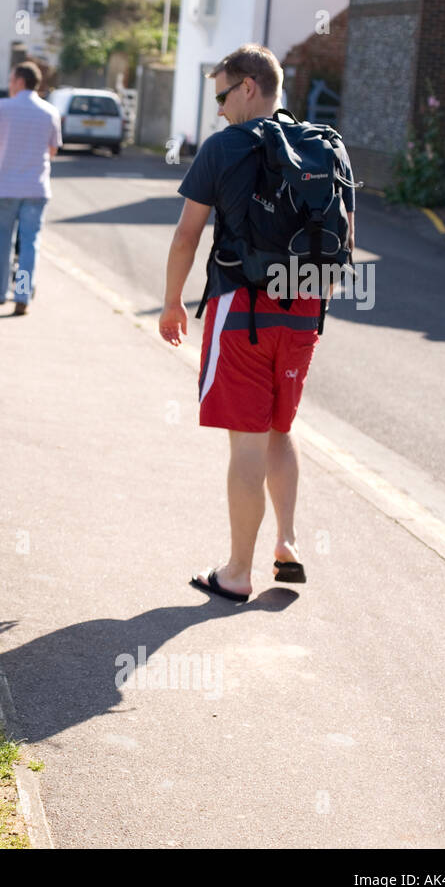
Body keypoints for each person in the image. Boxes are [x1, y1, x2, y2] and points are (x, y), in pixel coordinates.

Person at [158, 43, 356, 603]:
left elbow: (186, 235)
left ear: (248, 86)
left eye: (222, 95)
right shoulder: (326, 146)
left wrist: (172, 302)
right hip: (303, 315)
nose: (218, 109)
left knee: (245, 446)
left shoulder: (224, 147)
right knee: (280, 431)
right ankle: (287, 544)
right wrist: (308, 306)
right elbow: (345, 240)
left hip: (240, 312)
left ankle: (238, 573)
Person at [0, 61, 60, 315]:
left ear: (19, 81)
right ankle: (22, 293)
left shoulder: (2, 107)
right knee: (29, 244)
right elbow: (52, 150)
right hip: (35, 187)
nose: (9, 83)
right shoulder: (50, 111)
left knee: (3, 241)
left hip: (4, 184)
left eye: (11, 79)